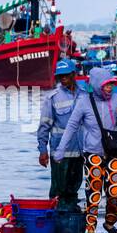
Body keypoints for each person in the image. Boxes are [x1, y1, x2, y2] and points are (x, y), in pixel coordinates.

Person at [54, 66, 117, 233]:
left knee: (114, 192)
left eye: (112, 84)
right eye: (106, 85)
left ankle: (109, 222)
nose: (110, 88)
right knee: (94, 190)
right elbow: (71, 126)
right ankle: (90, 229)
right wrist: (60, 150)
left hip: (115, 152)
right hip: (92, 152)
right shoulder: (84, 102)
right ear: (96, 85)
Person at [37, 58, 81, 206]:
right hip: (60, 154)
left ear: (73, 74)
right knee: (57, 192)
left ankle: (71, 222)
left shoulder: (85, 95)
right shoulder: (53, 98)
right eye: (60, 76)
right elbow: (44, 126)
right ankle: (55, 222)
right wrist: (43, 150)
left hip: (80, 153)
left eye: (66, 75)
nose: (63, 78)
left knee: (73, 191)